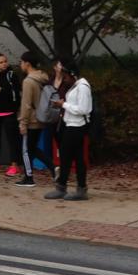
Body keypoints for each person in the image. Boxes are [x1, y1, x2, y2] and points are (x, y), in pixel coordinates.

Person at [44, 60, 93, 201]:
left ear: (72, 74)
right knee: (75, 157)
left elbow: (83, 109)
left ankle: (64, 187)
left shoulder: (82, 87)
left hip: (77, 126)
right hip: (70, 124)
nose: (64, 79)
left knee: (67, 157)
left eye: (65, 76)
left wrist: (64, 105)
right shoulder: (76, 85)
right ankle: (78, 188)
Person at [15, 52, 54, 187]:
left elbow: (26, 104)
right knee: (32, 148)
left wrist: (23, 122)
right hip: (42, 116)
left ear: (27, 63)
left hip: (31, 119)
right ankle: (53, 168)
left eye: (21, 62)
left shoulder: (28, 81)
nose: (21, 65)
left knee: (26, 149)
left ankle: (29, 177)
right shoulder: (43, 77)